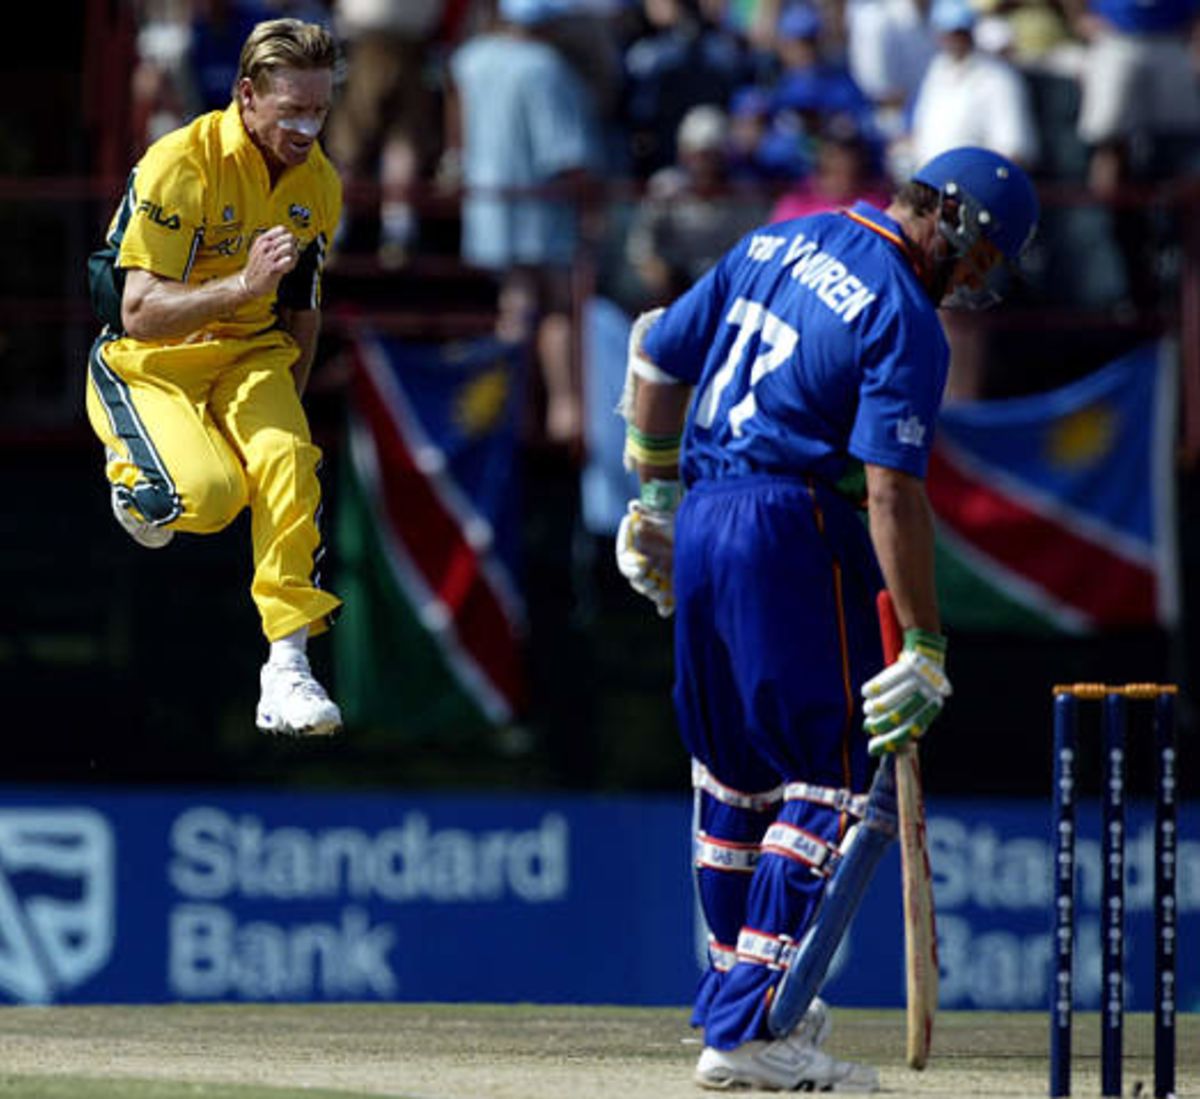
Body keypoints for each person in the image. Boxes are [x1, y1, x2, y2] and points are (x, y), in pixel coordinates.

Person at [614, 146, 1038, 1090]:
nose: (977, 282)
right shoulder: (904, 313)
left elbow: (652, 348)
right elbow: (891, 492)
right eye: (983, 257)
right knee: (836, 775)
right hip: (788, 526)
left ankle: (742, 1007)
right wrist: (926, 641)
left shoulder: (781, 237)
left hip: (706, 513)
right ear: (956, 225)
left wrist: (650, 499)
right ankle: (756, 1025)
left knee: (735, 779)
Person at [85, 17, 344, 738]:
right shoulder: (181, 163)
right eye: (291, 109)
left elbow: (302, 308)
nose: (305, 128)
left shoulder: (318, 182)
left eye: (319, 111)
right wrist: (239, 285)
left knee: (291, 459)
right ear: (247, 96)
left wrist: (278, 429)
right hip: (151, 361)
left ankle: (286, 669)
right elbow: (136, 312)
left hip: (251, 353)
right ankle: (138, 485)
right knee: (205, 499)